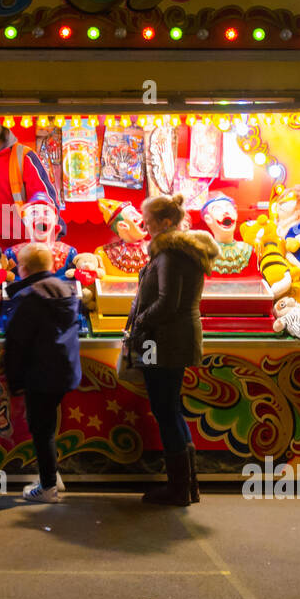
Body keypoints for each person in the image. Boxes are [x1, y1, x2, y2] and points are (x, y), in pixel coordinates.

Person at [124, 193, 220, 506]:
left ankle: (178, 489)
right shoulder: (176, 252)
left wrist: (139, 322)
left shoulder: (169, 254)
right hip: (170, 339)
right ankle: (186, 486)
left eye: (148, 219)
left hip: (162, 341)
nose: (143, 223)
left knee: (165, 409)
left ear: (165, 222)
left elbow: (167, 302)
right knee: (170, 409)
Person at [2, 243, 82, 503]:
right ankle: (53, 475)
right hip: (65, 370)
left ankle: (48, 487)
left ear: (23, 269)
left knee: (41, 428)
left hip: (40, 372)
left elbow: (16, 343)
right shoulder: (67, 289)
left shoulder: (28, 296)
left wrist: (14, 381)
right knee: (48, 425)